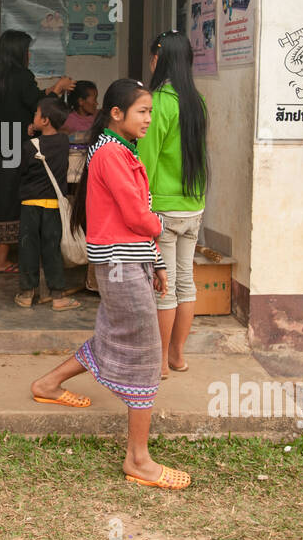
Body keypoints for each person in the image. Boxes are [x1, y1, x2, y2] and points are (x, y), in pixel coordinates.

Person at [30, 79, 191, 490]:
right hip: (120, 263)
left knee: (113, 337)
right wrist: (164, 228)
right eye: (143, 111)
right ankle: (138, 459)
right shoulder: (111, 154)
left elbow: (135, 220)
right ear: (117, 114)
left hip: (129, 260)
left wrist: (155, 260)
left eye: (151, 112)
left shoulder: (118, 151)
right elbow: (138, 216)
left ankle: (47, 384)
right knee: (145, 354)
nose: (149, 119)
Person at [140, 31, 208, 378]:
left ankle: (161, 362)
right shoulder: (196, 101)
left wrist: (139, 203)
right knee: (186, 282)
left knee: (163, 287)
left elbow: (145, 162)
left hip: (163, 209)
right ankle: (178, 356)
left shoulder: (158, 102)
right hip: (193, 205)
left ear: (159, 58)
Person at [0, 29, 74, 273]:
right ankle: (2, 259)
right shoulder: (21, 76)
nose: (29, 54)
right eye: (26, 50)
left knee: (5, 195)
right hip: (18, 141)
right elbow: (37, 103)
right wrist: (58, 87)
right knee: (18, 195)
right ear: (18, 52)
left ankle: (3, 255)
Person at [16, 97, 79, 311]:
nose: (33, 116)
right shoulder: (63, 143)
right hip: (53, 206)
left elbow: (22, 171)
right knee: (52, 250)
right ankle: (58, 296)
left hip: (30, 205)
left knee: (28, 249)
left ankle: (26, 294)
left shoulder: (28, 146)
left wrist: (30, 135)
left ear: (44, 120)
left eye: (36, 113)